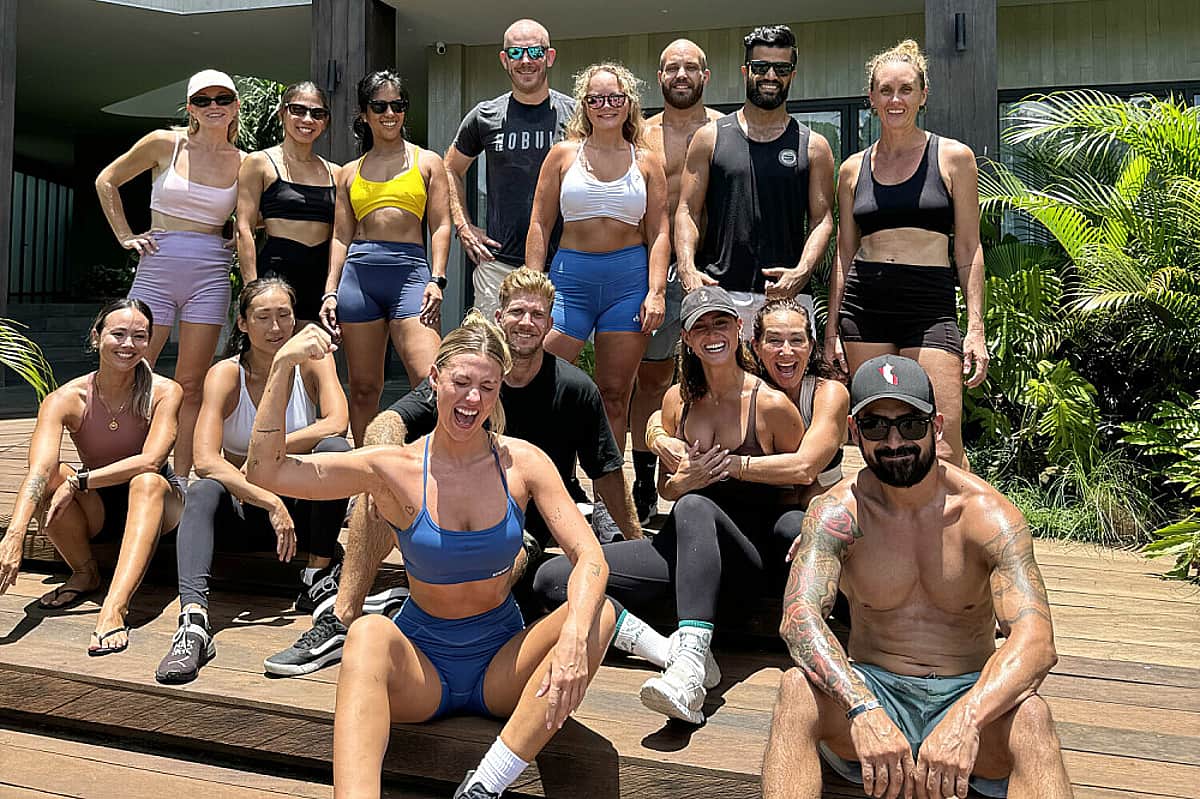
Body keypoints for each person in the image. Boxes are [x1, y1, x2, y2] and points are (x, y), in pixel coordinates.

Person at [244, 315, 616, 799]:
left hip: (501, 664)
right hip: (423, 669)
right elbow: (265, 469)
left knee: (597, 614)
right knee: (368, 632)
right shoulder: (393, 468)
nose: (473, 399)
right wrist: (282, 367)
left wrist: (570, 640)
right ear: (435, 379)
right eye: (461, 382)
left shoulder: (522, 462)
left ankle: (486, 783)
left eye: (487, 386)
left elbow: (590, 556)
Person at [266, 268, 639, 675]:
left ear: (551, 325)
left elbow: (607, 474)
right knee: (383, 486)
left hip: (521, 528)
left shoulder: (575, 389)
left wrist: (638, 549)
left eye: (538, 314)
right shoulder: (465, 373)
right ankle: (342, 618)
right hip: (446, 505)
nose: (527, 323)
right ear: (499, 317)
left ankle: (415, 607)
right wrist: (380, 468)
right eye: (518, 311)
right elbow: (387, 422)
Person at [761, 355, 1072, 799]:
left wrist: (967, 719)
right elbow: (799, 619)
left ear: (937, 425)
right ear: (854, 432)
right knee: (795, 691)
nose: (894, 441)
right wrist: (862, 707)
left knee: (1033, 719)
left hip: (968, 697)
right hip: (873, 691)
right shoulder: (838, 512)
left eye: (910, 424)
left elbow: (1037, 640)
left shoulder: (987, 516)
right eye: (875, 426)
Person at [534, 286, 806, 725]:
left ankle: (690, 669)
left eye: (721, 322)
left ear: (739, 329)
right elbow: (667, 489)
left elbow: (800, 481)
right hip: (682, 554)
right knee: (553, 578)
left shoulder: (769, 404)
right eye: (701, 326)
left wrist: (731, 471)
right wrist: (683, 479)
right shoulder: (677, 401)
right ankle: (669, 651)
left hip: (746, 558)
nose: (712, 333)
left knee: (696, 506)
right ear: (687, 338)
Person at [154, 278, 350, 684]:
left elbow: (337, 422)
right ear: (242, 324)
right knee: (204, 489)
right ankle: (192, 620)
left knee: (335, 449)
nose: (275, 327)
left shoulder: (313, 360)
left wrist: (269, 450)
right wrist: (267, 498)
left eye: (284, 316)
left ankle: (317, 574)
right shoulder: (226, 375)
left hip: (301, 510)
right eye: (263, 317)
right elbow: (206, 460)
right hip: (250, 510)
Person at [824, 40, 988, 467]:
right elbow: (844, 253)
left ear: (923, 95)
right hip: (866, 306)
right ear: (872, 97)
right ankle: (889, 530)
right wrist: (831, 335)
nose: (895, 100)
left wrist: (975, 329)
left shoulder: (953, 158)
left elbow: (969, 249)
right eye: (885, 90)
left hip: (928, 304)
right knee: (877, 432)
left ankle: (955, 532)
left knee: (944, 437)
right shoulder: (852, 169)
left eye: (906, 89)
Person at [0, 299, 185, 655]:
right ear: (96, 337)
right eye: (118, 334)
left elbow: (151, 460)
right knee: (54, 476)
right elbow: (39, 471)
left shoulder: (164, 391)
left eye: (139, 336)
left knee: (145, 482)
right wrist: (15, 534)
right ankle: (85, 573)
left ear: (149, 342)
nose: (128, 344)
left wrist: (80, 481)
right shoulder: (65, 399)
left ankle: (114, 607)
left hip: (158, 503)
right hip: (98, 504)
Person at [95, 69, 243, 479]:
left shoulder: (244, 163)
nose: (213, 107)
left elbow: (265, 213)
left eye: (222, 98)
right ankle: (129, 466)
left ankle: (178, 476)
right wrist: (125, 235)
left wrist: (239, 234)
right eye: (202, 100)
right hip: (157, 267)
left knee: (191, 382)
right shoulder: (166, 142)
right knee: (136, 368)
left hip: (211, 273)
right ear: (190, 107)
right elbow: (107, 179)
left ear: (235, 106)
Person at [526, 62, 670, 453]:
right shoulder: (562, 156)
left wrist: (656, 292)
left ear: (628, 103)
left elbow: (659, 233)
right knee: (540, 380)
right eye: (596, 98)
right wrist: (531, 286)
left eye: (614, 97)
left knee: (614, 393)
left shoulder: (647, 161)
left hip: (628, 283)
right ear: (584, 105)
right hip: (569, 281)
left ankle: (608, 503)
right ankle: (550, 479)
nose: (605, 105)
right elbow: (540, 223)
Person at [675, 25, 835, 339]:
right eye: (761, 67)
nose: (771, 76)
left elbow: (822, 220)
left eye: (781, 68)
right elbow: (687, 210)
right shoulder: (710, 137)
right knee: (715, 390)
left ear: (793, 74)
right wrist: (687, 268)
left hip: (786, 299)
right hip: (719, 295)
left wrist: (801, 273)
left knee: (789, 389)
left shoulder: (813, 146)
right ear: (746, 71)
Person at [321, 70, 451, 445]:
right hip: (359, 279)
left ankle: (429, 470)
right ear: (364, 113)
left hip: (411, 274)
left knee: (432, 379)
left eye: (398, 105)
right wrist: (330, 291)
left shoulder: (427, 162)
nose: (389, 113)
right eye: (379, 106)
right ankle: (366, 475)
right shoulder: (348, 173)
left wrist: (437, 279)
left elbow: (441, 226)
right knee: (363, 388)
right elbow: (340, 236)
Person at [630, 39, 724, 523]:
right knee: (651, 376)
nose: (681, 74)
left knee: (724, 373)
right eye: (672, 68)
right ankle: (644, 477)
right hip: (657, 267)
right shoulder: (641, 135)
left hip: (717, 265)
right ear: (660, 77)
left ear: (705, 76)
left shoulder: (726, 129)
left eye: (691, 67)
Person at [646, 297, 849, 509]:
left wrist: (725, 463)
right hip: (758, 506)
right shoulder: (751, 383)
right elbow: (659, 416)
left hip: (820, 508)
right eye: (775, 341)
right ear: (756, 346)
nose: (786, 351)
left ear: (810, 346)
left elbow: (804, 469)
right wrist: (659, 439)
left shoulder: (828, 392)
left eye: (797, 340)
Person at [444, 18, 574, 320]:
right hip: (499, 266)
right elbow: (449, 169)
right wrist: (463, 226)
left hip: (564, 264)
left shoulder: (577, 114)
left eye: (534, 52)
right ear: (505, 60)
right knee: (493, 356)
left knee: (556, 361)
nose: (525, 61)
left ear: (550, 57)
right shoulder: (485, 115)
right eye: (516, 53)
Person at [236, 81, 337, 327]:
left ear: (325, 122)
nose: (307, 119)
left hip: (320, 277)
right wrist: (252, 290)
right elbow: (244, 229)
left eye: (317, 113)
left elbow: (341, 235)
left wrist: (332, 288)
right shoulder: (259, 162)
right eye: (298, 110)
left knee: (317, 356)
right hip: (276, 273)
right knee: (270, 355)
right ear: (283, 113)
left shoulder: (337, 172)